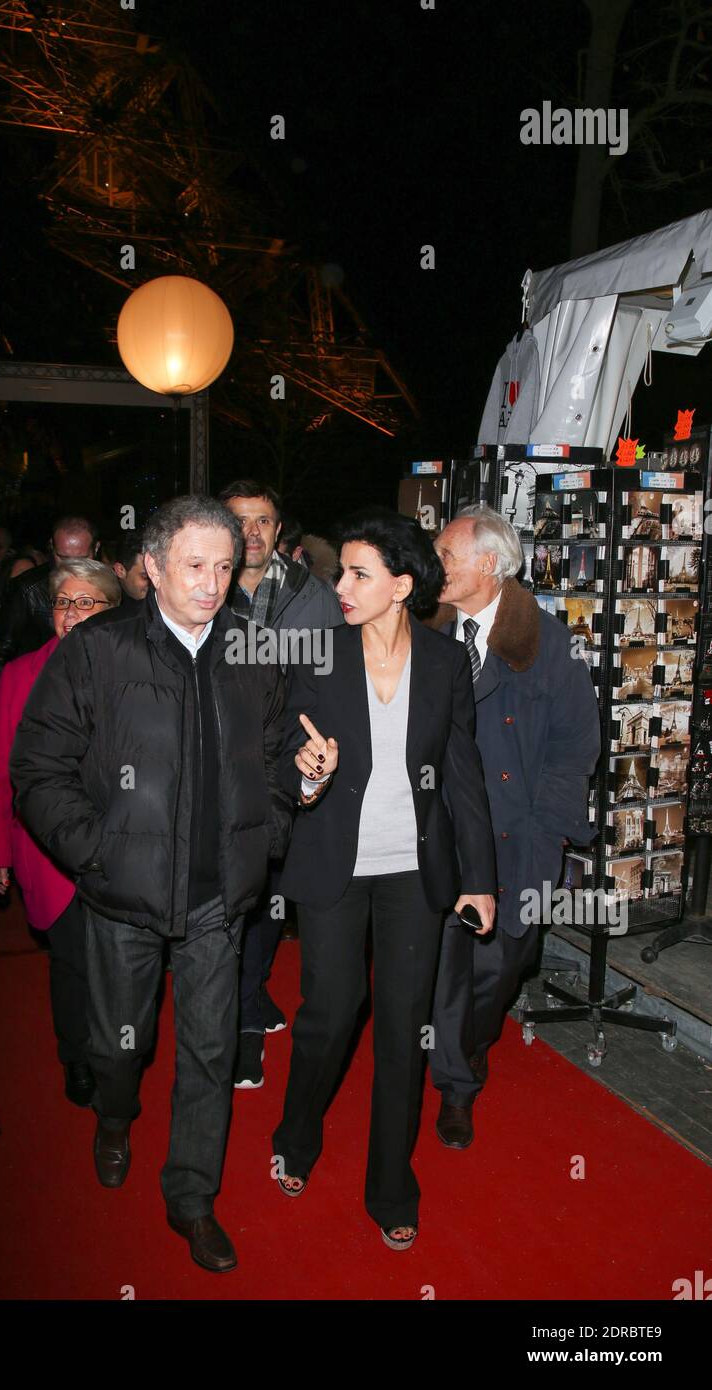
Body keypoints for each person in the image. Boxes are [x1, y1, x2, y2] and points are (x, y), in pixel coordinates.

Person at [10, 495, 292, 1273]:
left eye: (225, 567)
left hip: (217, 901)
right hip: (121, 898)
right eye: (195, 565)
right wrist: (96, 853)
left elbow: (274, 758)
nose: (211, 583)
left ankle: (192, 1199)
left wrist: (270, 831)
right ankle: (113, 1113)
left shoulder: (254, 648)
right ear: (153, 566)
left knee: (209, 1053)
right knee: (116, 1044)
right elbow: (37, 768)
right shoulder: (97, 651)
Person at [272, 507, 496, 1251]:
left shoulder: (443, 661)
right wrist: (304, 776)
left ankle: (391, 1182)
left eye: (360, 574)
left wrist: (480, 877)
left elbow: (462, 773)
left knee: (404, 1029)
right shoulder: (317, 653)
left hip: (414, 869)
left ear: (401, 585)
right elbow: (281, 751)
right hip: (335, 860)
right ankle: (297, 1131)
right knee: (332, 1012)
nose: (342, 584)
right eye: (342, 571)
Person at [428, 504, 601, 1148]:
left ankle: (464, 1046)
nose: (433, 566)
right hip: (442, 833)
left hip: (519, 841)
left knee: (502, 964)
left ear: (489, 565)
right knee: (451, 962)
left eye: (446, 555)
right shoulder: (423, 634)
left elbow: (576, 746)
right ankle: (456, 1084)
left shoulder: (549, 645)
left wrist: (549, 830)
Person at [217, 479, 343, 1089]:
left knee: (269, 887)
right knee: (225, 894)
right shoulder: (203, 588)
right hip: (217, 764)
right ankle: (231, 1007)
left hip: (283, 763)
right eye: (240, 521)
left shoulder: (312, 597)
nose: (252, 533)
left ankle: (247, 1002)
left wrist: (310, 762)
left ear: (278, 528)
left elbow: (323, 684)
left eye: (263, 520)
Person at [0, 559, 121, 1107]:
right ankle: (77, 1056)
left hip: (121, 851)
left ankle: (119, 1052)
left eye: (88, 603)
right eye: (65, 602)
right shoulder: (19, 676)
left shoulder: (132, 670)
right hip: (48, 856)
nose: (73, 614)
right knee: (70, 963)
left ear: (113, 612)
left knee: (120, 965)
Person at [0, 515, 99, 673]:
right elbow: (3, 650)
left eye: (81, 559)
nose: (71, 566)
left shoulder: (109, 585)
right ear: (51, 547)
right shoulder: (28, 589)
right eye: (63, 558)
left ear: (96, 548)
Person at [107, 529, 150, 609]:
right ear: (120, 570)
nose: (155, 583)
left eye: (160, 575)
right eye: (146, 577)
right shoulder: (106, 608)